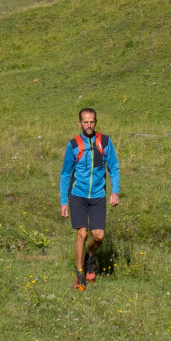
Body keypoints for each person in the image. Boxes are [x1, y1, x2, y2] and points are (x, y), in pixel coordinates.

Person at [57, 106, 119, 288]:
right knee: (82, 232)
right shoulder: (74, 145)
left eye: (92, 121)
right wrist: (63, 201)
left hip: (98, 195)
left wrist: (115, 191)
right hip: (78, 195)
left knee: (98, 236)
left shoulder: (105, 142)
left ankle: (89, 257)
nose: (89, 125)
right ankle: (80, 274)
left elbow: (114, 167)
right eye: (85, 122)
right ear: (80, 123)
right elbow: (65, 174)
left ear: (95, 122)